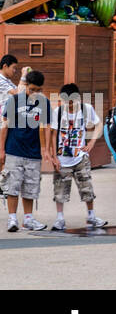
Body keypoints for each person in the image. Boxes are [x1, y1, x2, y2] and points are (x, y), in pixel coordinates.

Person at [1, 68, 53, 232]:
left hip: (33, 152)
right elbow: (5, 126)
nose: (35, 93)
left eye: (38, 90)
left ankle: (29, 219)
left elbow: (46, 126)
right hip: (13, 150)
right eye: (32, 90)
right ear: (26, 86)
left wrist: (46, 150)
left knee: (30, 187)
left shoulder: (44, 103)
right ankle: (12, 219)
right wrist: (1, 150)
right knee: (12, 186)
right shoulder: (14, 101)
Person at [51, 84, 109, 231]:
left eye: (71, 102)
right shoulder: (58, 112)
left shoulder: (86, 109)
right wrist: (54, 156)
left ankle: (91, 216)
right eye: (65, 101)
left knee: (87, 187)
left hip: (80, 157)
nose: (68, 105)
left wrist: (92, 142)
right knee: (60, 189)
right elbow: (52, 134)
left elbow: (99, 125)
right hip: (62, 158)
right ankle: (60, 218)